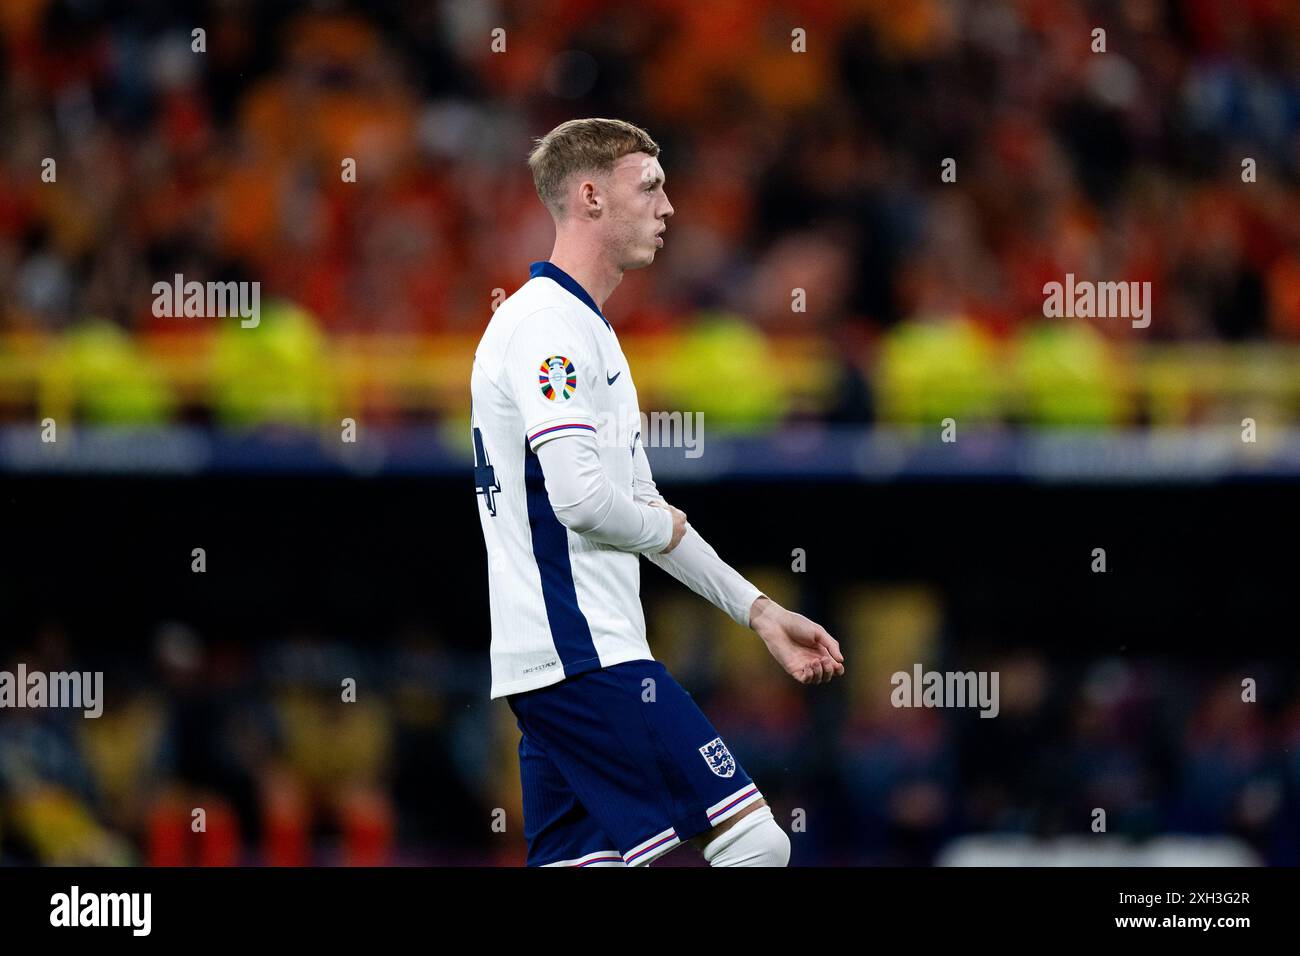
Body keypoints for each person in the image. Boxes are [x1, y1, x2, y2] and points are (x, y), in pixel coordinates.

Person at [470, 118, 844, 866]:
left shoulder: (585, 328)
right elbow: (584, 502)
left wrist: (759, 611)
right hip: (587, 654)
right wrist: (660, 529)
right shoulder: (548, 327)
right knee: (757, 844)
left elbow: (639, 503)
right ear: (589, 197)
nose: (668, 206)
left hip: (558, 660)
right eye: (650, 186)